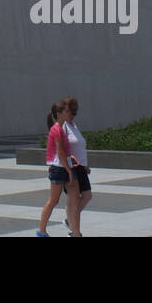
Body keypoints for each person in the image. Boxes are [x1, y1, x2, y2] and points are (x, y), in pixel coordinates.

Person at [38, 100, 75, 236]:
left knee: (72, 197)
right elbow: (60, 152)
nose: (69, 113)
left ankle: (72, 225)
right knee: (54, 200)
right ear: (59, 114)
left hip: (61, 168)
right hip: (59, 168)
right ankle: (41, 230)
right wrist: (69, 170)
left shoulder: (60, 128)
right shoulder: (57, 129)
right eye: (66, 111)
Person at [61, 96, 93, 236]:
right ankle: (75, 232)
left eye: (74, 112)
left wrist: (85, 165)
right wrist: (67, 167)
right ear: (64, 111)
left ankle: (70, 220)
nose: (72, 114)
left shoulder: (74, 126)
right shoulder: (63, 126)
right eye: (70, 111)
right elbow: (61, 148)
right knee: (73, 200)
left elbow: (79, 146)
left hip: (81, 167)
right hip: (71, 168)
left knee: (87, 195)